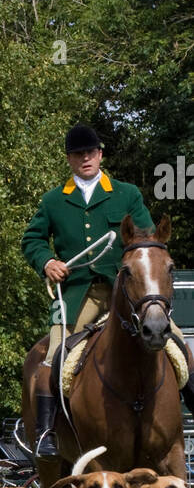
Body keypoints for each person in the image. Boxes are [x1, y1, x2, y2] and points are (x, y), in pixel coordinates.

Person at [22, 121, 194, 457]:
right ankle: (46, 435)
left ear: (100, 154)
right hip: (77, 295)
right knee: (52, 358)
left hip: (127, 292)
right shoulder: (54, 200)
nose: (84, 158)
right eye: (77, 154)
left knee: (176, 343)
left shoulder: (126, 193)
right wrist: (46, 261)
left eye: (90, 152)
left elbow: (146, 237)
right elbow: (32, 239)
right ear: (70, 159)